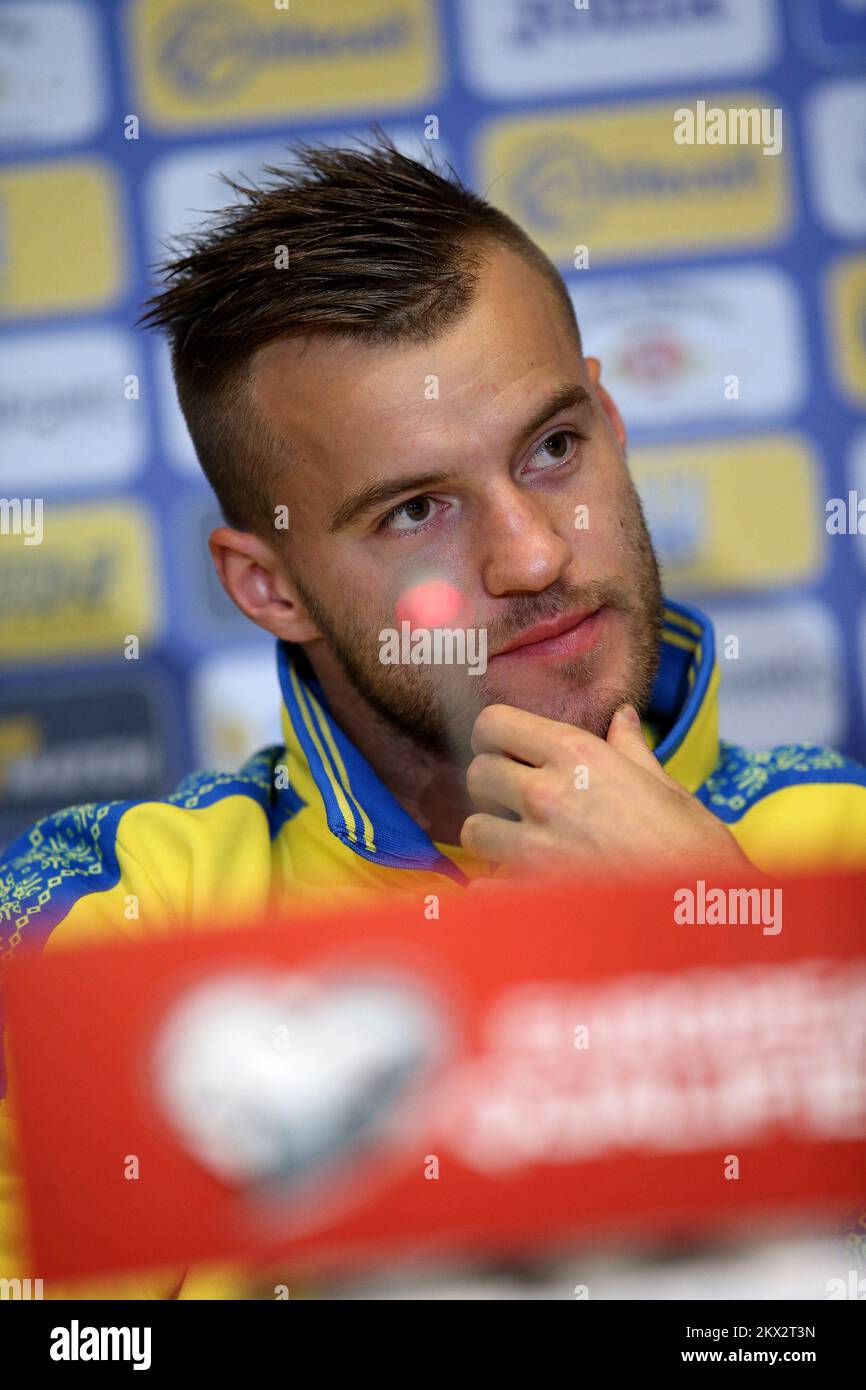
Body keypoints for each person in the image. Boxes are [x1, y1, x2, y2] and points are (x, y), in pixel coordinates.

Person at [2, 133, 865, 1299]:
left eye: (551, 449)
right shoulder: (96, 934)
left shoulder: (840, 859)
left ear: (611, 423)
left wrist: (731, 960)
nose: (530, 554)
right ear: (270, 586)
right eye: (415, 510)